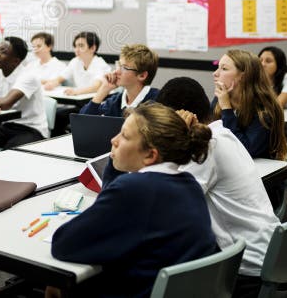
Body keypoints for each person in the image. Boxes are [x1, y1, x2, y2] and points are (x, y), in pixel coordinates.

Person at [51, 103, 217, 298]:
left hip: (137, 290)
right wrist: (115, 165)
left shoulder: (136, 189)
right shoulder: (189, 184)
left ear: (150, 155)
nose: (113, 140)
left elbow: (63, 244)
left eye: (125, 136)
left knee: (55, 285)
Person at [160, 77, 279, 298]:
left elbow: (168, 203)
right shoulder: (223, 133)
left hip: (245, 271)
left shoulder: (205, 147)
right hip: (267, 254)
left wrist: (170, 141)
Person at [213, 49, 287, 160]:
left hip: (258, 172)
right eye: (218, 67)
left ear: (243, 76)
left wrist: (226, 109)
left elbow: (244, 150)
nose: (215, 73)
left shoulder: (264, 110)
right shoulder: (220, 99)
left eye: (224, 69)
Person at [80, 44, 159, 117]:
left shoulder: (158, 101)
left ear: (142, 75)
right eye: (119, 65)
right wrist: (104, 89)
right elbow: (82, 121)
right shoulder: (115, 101)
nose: (117, 71)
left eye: (124, 67)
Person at [43, 31, 109, 95]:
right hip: (81, 99)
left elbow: (96, 87)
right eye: (75, 46)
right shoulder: (75, 61)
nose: (76, 50)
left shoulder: (100, 64)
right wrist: (52, 84)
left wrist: (76, 91)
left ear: (92, 48)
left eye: (81, 46)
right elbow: (60, 79)